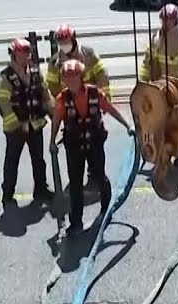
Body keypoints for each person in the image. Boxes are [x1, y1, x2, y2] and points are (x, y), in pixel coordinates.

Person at [49, 59, 134, 237]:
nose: (71, 81)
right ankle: (76, 222)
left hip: (94, 142)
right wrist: (52, 141)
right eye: (68, 78)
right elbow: (56, 121)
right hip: (74, 145)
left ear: (81, 77)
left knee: (99, 176)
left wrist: (128, 125)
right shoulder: (62, 99)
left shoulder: (95, 94)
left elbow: (112, 110)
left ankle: (107, 207)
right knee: (75, 184)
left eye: (74, 77)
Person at [44, 23, 110, 191]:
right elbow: (52, 85)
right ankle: (77, 180)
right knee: (74, 143)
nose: (64, 45)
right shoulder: (55, 62)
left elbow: (102, 74)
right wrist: (61, 106)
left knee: (95, 142)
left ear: (73, 39)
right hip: (71, 110)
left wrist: (104, 98)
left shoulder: (88, 54)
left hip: (91, 106)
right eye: (61, 43)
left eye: (66, 41)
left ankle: (95, 176)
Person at [139, 4, 178, 170]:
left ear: (176, 20)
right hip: (159, 87)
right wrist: (143, 81)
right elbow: (147, 61)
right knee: (160, 121)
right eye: (164, 20)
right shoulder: (155, 38)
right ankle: (163, 153)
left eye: (169, 20)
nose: (166, 23)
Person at [0, 38, 53, 207]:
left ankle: (41, 189)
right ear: (13, 56)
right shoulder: (6, 77)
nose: (26, 57)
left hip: (35, 125)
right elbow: (3, 103)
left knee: (39, 160)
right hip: (16, 129)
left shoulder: (35, 73)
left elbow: (45, 96)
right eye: (22, 54)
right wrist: (16, 125)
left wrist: (54, 117)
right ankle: (8, 195)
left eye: (27, 54)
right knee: (12, 162)